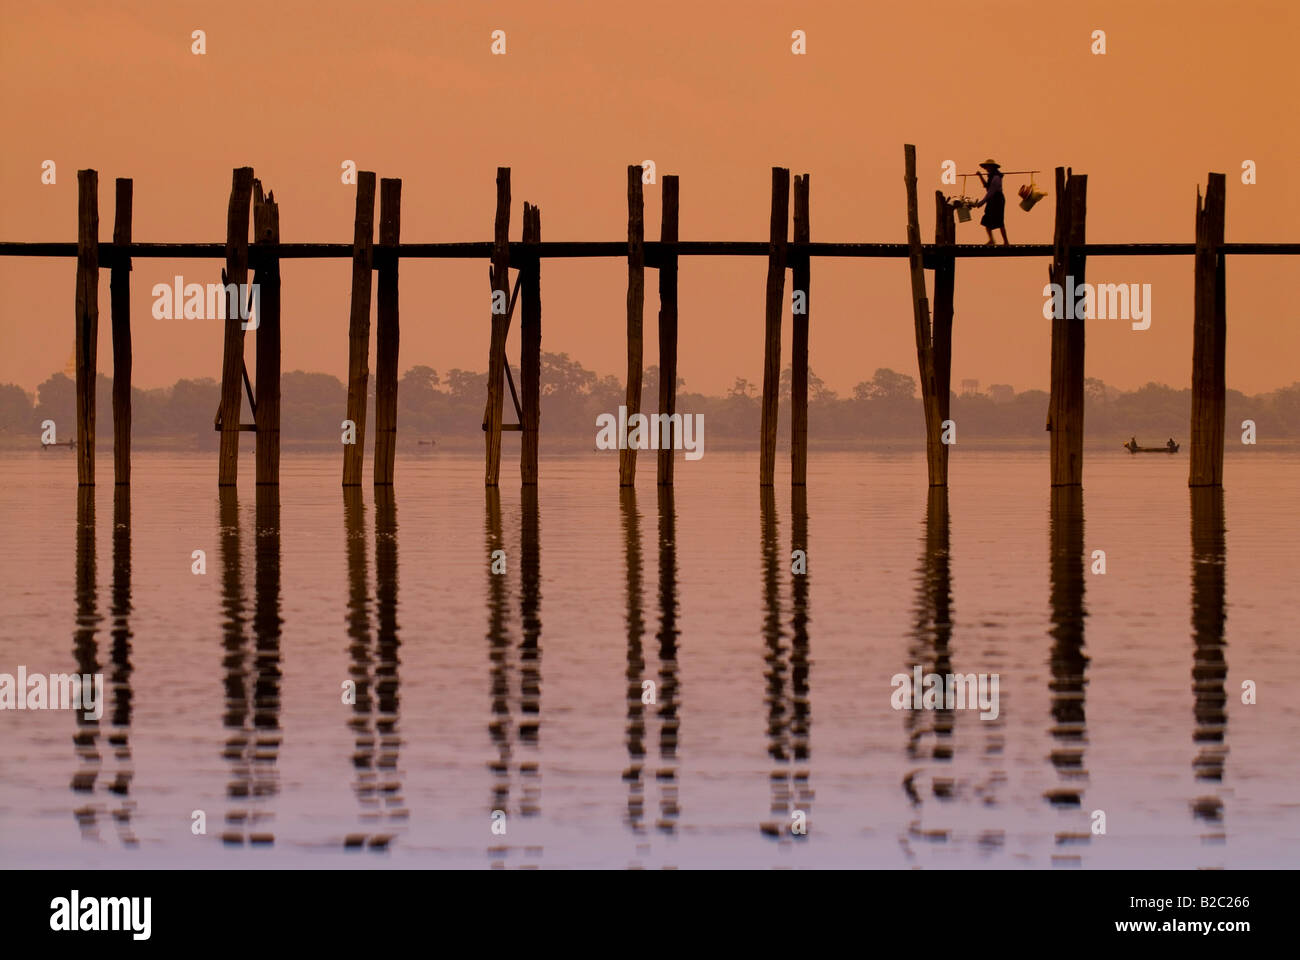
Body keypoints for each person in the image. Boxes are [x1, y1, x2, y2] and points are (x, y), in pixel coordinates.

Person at [974, 159, 1008, 245]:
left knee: (1000, 220)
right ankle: (991, 240)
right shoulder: (991, 176)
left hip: (997, 199)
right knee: (986, 219)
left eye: (988, 167)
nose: (986, 169)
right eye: (986, 167)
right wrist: (980, 176)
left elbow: (991, 192)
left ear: (993, 167)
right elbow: (987, 187)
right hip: (992, 199)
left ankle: (1006, 241)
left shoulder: (996, 177)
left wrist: (982, 202)